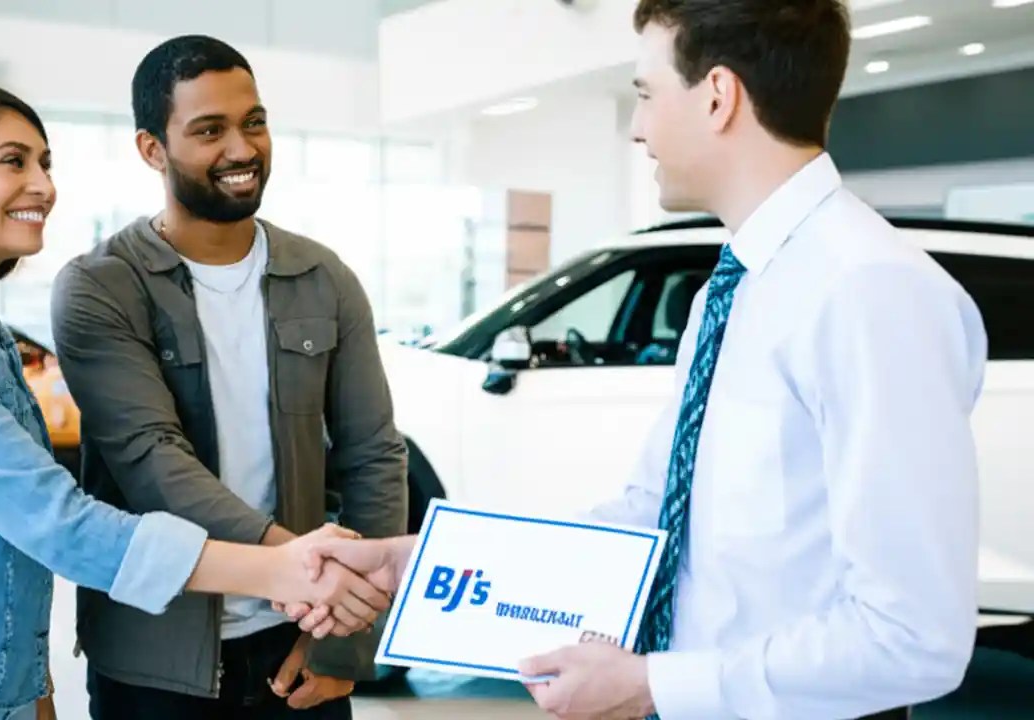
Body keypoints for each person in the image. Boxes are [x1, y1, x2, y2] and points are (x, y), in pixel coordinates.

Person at [292, 1, 990, 718]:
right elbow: (654, 516)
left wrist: (652, 684)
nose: (636, 126)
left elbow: (912, 636)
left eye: (647, 94)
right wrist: (423, 565)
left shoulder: (869, 291)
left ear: (718, 95)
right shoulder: (740, 285)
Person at [0, 77, 390, 720]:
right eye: (13, 161)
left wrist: (34, 687)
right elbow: (59, 522)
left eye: (44, 162)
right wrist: (288, 567)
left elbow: (7, 537)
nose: (44, 186)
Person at [50, 35, 407, 719]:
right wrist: (303, 569)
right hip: (153, 666)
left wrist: (344, 641)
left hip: (301, 646)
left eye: (254, 122)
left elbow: (373, 454)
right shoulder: (101, 288)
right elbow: (153, 462)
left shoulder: (324, 278)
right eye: (209, 130)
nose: (242, 149)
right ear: (152, 149)